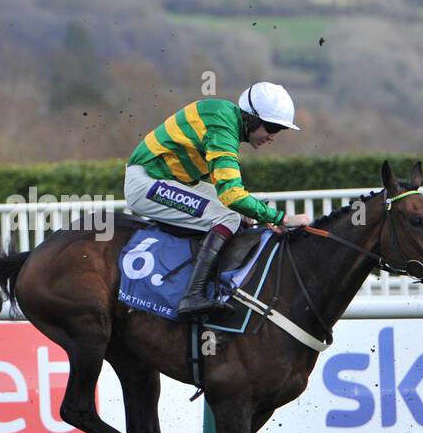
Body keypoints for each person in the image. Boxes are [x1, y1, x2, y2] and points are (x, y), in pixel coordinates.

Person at [125, 81, 312, 317]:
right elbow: (231, 194)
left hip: (171, 180)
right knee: (227, 214)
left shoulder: (225, 119)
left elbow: (228, 189)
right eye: (272, 127)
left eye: (279, 130)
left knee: (235, 213)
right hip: (146, 182)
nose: (273, 137)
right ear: (252, 118)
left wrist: (254, 213)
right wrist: (281, 218)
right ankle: (192, 295)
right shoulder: (222, 125)